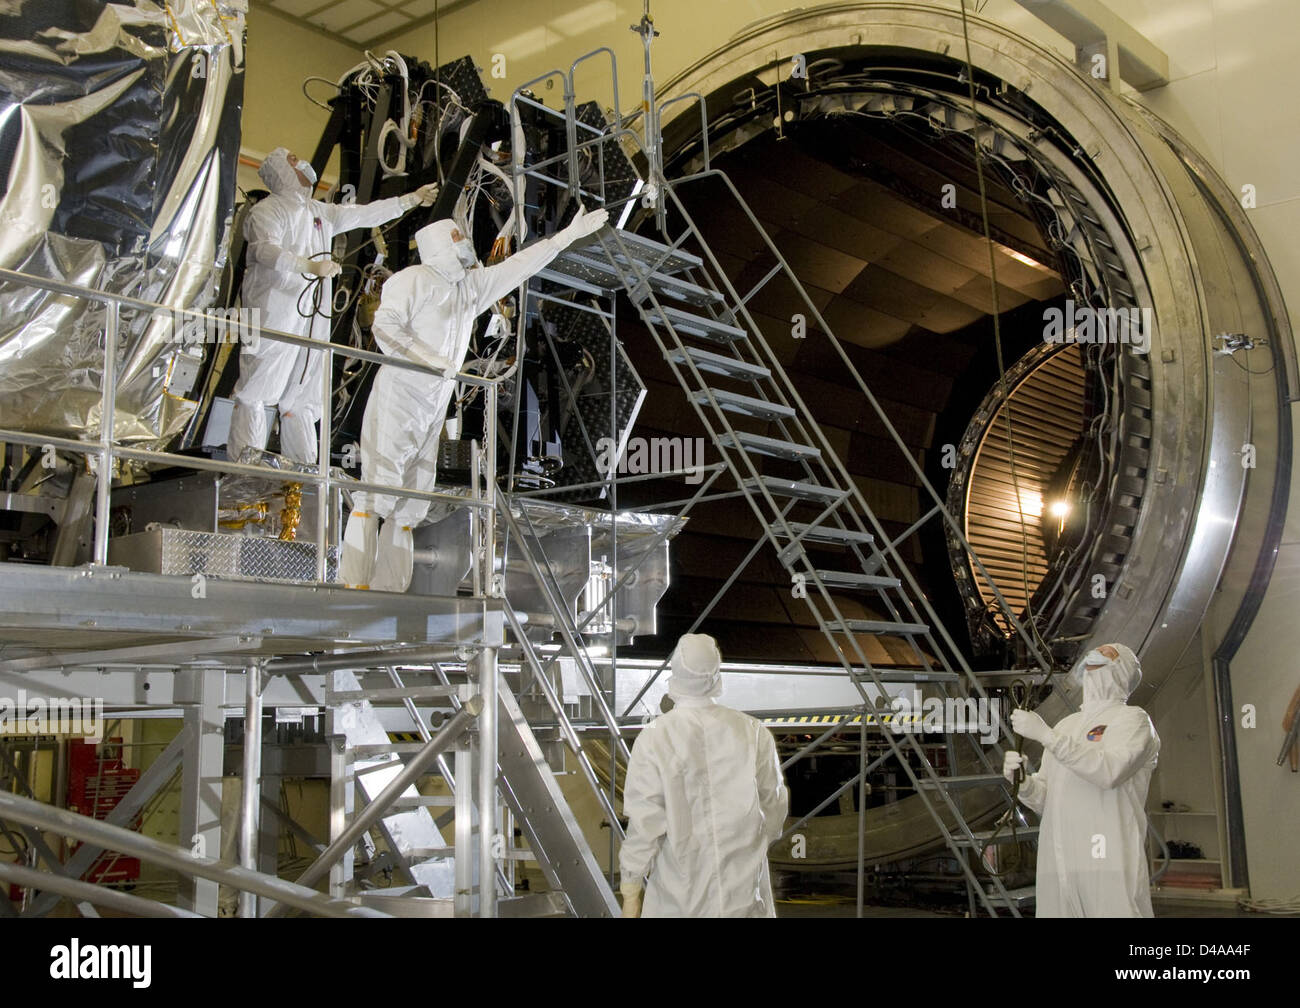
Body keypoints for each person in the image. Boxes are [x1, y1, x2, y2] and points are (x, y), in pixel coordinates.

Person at [340, 206, 608, 592]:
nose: (465, 246)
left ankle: (390, 589)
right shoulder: (411, 280)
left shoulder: (467, 289)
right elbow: (386, 328)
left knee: (414, 494)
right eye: (456, 240)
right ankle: (353, 584)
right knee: (379, 489)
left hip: (434, 401)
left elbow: (518, 266)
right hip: (401, 394)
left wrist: (565, 237)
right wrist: (431, 361)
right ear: (437, 246)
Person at [228, 147, 438, 466]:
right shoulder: (268, 211)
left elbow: (365, 214)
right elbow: (264, 251)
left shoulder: (319, 213)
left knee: (301, 398)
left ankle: (306, 472)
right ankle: (244, 470)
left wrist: (411, 199)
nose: (303, 165)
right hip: (274, 315)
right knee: (258, 390)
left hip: (311, 319)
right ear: (280, 171)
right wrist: (309, 267)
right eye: (293, 160)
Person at [619, 633, 789, 918]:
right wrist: (748, 849)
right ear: (716, 673)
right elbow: (774, 808)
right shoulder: (753, 731)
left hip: (679, 900)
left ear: (676, 674)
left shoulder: (654, 738)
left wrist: (630, 889)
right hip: (745, 898)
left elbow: (645, 824)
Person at [1006, 642, 1160, 917]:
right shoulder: (1067, 725)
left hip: (1106, 856)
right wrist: (1024, 783)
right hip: (1059, 857)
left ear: (1122, 671)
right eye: (1090, 658)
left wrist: (1046, 736)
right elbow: (1046, 800)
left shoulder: (1133, 721)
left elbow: (1108, 772)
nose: (1092, 662)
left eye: (1104, 658)